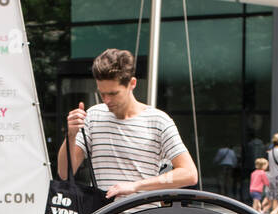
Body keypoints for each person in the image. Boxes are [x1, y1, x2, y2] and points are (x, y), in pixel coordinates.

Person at [58, 48, 198, 197]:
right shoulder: (93, 116)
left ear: (132, 83)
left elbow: (189, 173)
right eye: (102, 93)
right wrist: (71, 135)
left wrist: (136, 186)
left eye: (113, 93)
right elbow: (65, 173)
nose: (107, 100)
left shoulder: (158, 121)